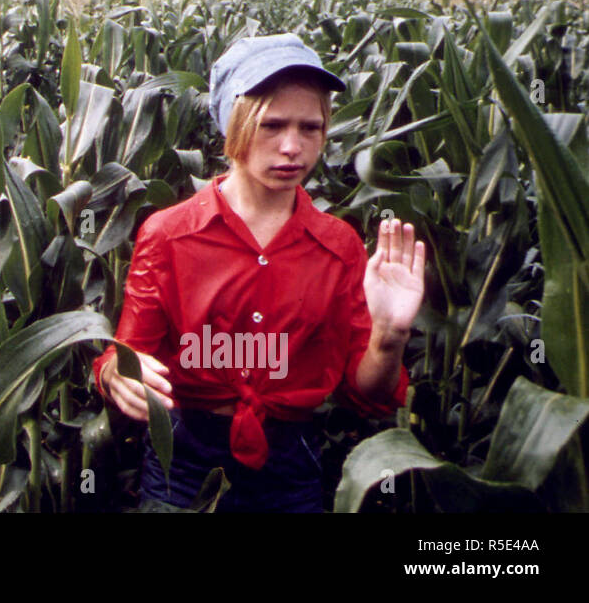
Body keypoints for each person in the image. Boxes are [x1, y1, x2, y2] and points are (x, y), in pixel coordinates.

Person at [94, 33, 424, 512]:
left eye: (310, 128)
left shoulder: (339, 246)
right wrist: (114, 376)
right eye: (272, 126)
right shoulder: (168, 235)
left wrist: (390, 335)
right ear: (234, 124)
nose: (292, 147)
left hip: (293, 464)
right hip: (185, 465)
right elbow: (126, 355)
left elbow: (366, 394)